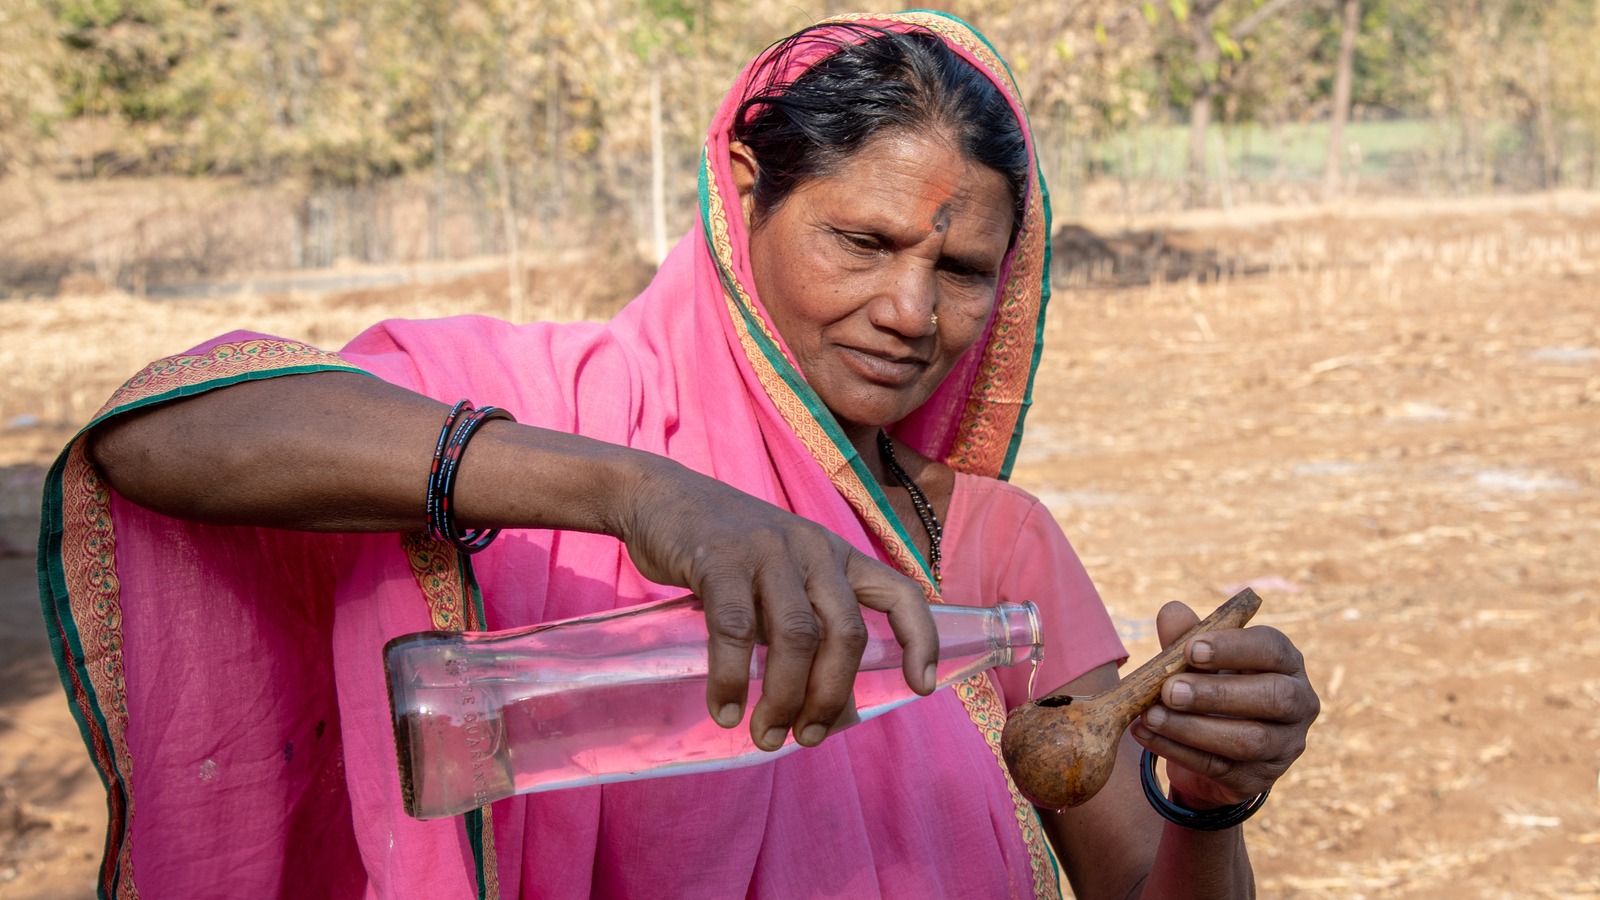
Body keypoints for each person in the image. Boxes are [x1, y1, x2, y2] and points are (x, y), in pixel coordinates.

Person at [39, 12, 1318, 899]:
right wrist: (641, 496)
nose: (914, 313)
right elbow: (169, 431)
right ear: (740, 195)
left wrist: (1207, 801)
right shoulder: (558, 418)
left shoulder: (984, 549)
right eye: (862, 242)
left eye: (963, 269)